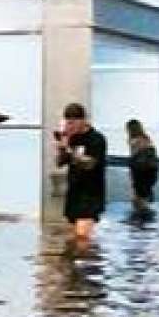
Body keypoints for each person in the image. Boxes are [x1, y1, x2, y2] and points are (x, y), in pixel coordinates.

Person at [55, 103, 107, 244]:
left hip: (91, 195)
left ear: (82, 120)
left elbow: (90, 164)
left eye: (72, 123)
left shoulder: (97, 139)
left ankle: (88, 264)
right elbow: (60, 163)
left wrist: (70, 151)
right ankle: (76, 265)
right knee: (73, 238)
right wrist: (62, 148)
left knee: (82, 238)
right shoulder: (72, 138)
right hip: (74, 194)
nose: (70, 126)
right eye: (67, 123)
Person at [125, 119, 159, 215]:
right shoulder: (147, 140)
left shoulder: (134, 141)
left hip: (140, 172)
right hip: (151, 172)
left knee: (137, 199)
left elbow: (134, 159)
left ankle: (141, 217)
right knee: (143, 196)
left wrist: (132, 177)